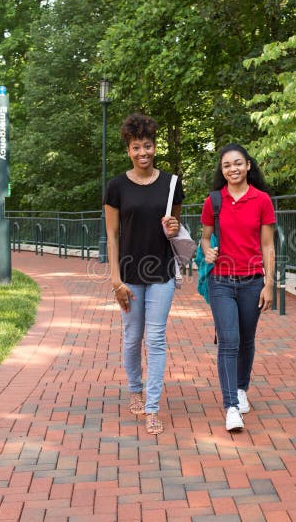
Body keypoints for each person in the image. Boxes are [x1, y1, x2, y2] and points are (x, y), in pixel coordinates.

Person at [104, 112, 184, 435]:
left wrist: (174, 227)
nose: (143, 153)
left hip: (162, 272)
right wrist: (115, 280)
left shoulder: (171, 184)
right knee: (132, 337)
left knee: (156, 338)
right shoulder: (116, 187)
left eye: (148, 146)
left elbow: (175, 228)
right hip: (129, 274)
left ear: (155, 147)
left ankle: (152, 407)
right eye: (136, 147)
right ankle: (134, 389)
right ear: (128, 149)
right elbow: (112, 235)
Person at [200, 143, 276, 432]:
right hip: (221, 281)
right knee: (229, 340)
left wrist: (269, 285)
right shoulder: (214, 202)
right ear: (222, 171)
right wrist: (208, 250)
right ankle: (231, 406)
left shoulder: (262, 200)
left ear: (247, 166)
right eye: (226, 165)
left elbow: (268, 245)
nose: (232, 169)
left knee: (246, 339)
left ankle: (241, 388)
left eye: (237, 163)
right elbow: (206, 238)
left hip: (252, 281)